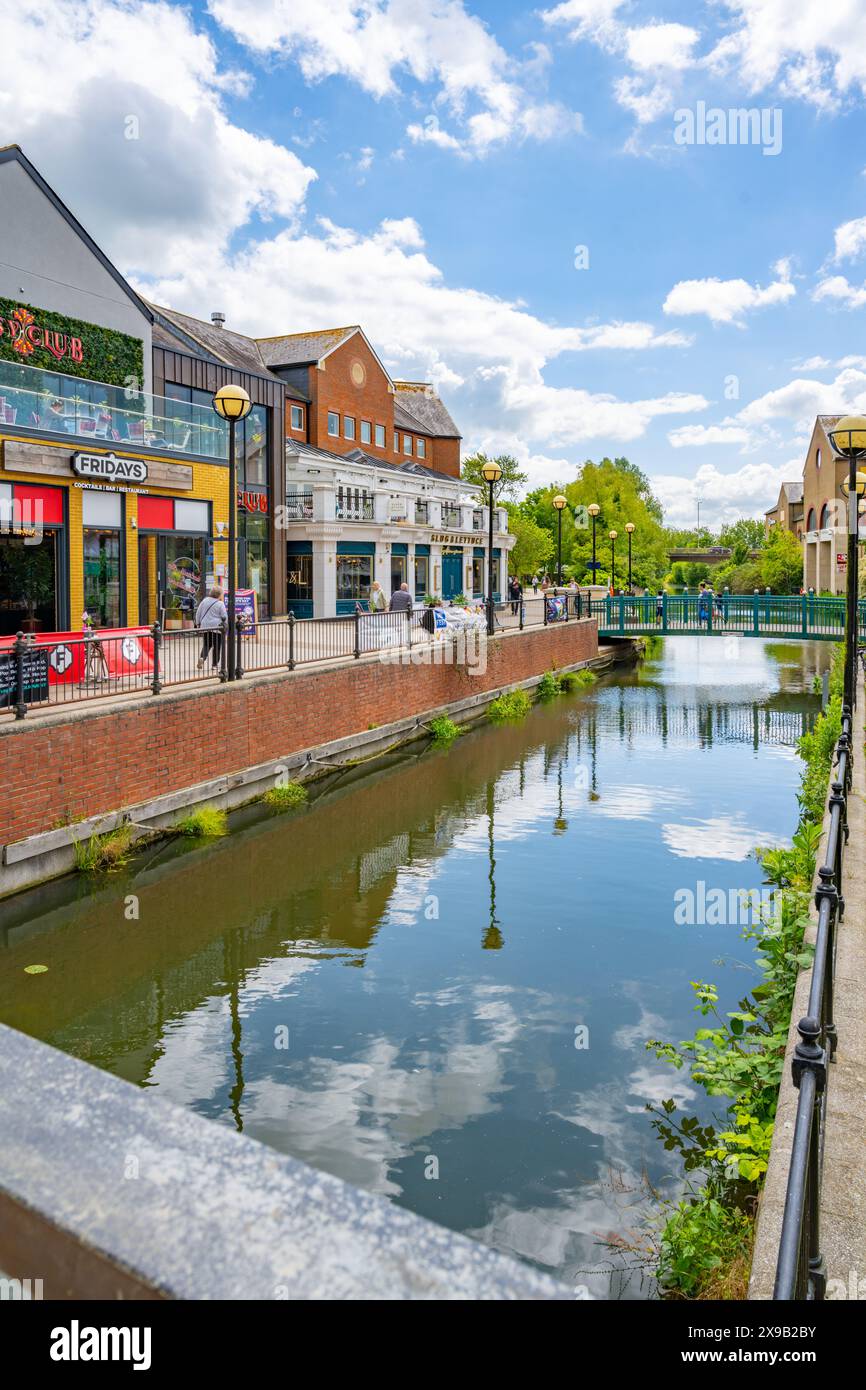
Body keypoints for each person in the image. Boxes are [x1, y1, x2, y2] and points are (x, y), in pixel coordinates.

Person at [195, 586, 228, 670]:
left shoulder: (204, 601)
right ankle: (214, 665)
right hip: (217, 627)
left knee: (207, 644)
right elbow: (224, 616)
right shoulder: (220, 604)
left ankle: (202, 657)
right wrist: (226, 626)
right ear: (219, 594)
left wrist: (198, 623)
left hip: (205, 626)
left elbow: (198, 612)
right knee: (217, 646)